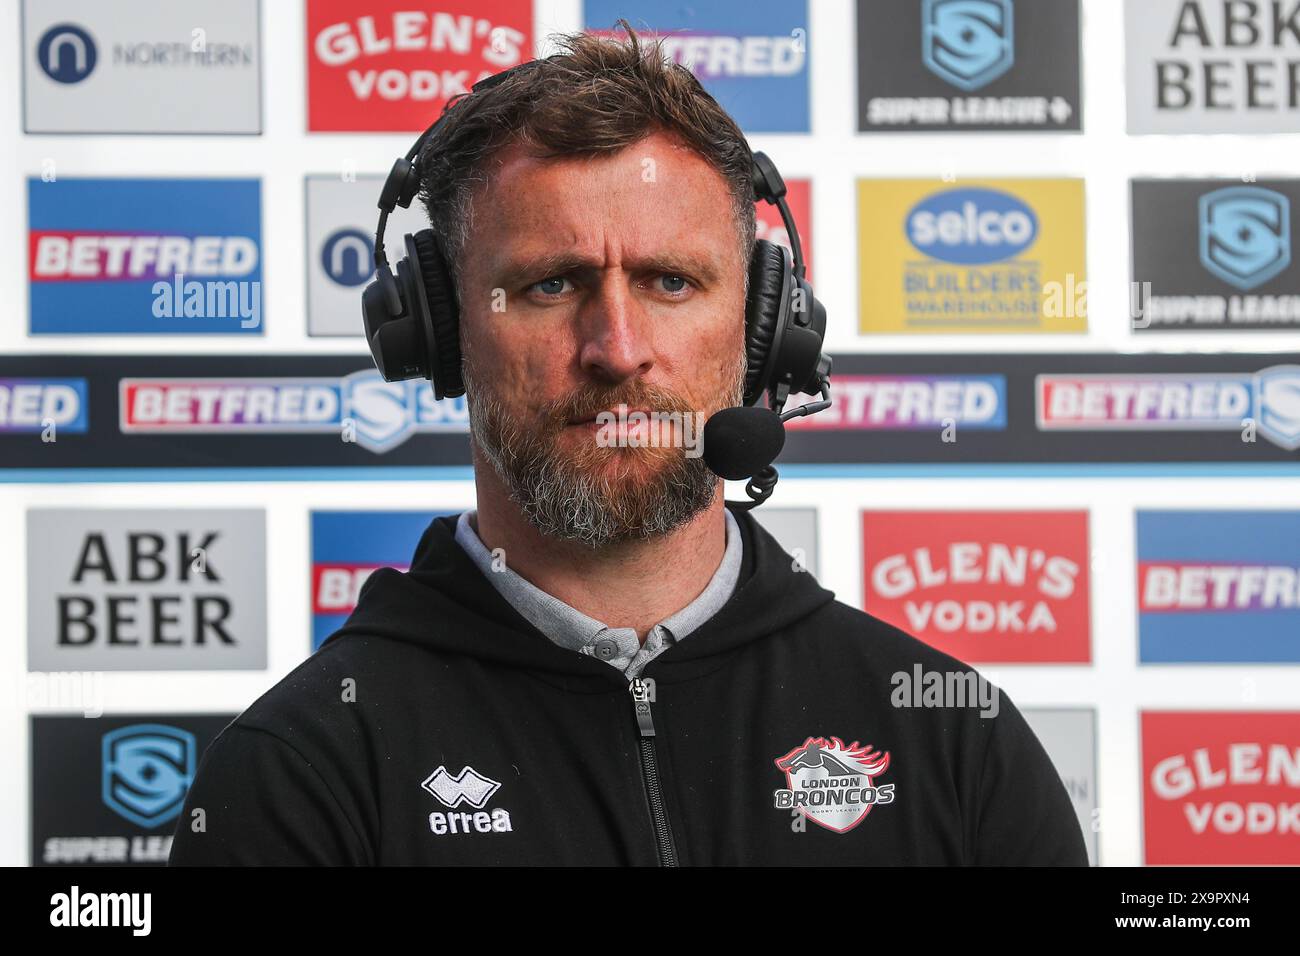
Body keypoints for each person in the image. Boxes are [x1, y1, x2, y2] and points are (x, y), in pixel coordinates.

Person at [169, 25, 1087, 866]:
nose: (617, 348)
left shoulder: (956, 745)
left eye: (672, 281)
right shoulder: (300, 773)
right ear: (444, 333)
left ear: (764, 329)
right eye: (552, 284)